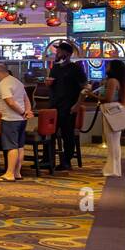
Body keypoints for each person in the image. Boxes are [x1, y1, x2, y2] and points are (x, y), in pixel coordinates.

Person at [80, 59, 125, 178]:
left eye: (108, 65)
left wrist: (91, 94)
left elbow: (108, 98)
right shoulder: (118, 81)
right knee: (115, 142)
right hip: (115, 109)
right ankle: (114, 168)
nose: (106, 67)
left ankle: (112, 169)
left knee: (112, 142)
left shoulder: (112, 80)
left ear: (113, 69)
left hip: (110, 109)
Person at [44, 41, 87, 170]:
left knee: (67, 135)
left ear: (67, 54)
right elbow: (51, 84)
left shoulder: (75, 68)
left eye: (59, 51)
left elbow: (85, 88)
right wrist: (48, 84)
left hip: (69, 106)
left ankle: (66, 161)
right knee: (49, 133)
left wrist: (77, 105)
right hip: (54, 105)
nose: (56, 53)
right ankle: (47, 160)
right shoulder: (55, 68)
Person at [0, 62, 32, 182]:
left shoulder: (3, 84)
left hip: (9, 119)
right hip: (21, 119)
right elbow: (26, 99)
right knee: (19, 146)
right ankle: (17, 172)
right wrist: (26, 112)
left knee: (11, 146)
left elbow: (10, 102)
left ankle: (9, 173)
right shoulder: (17, 81)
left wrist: (23, 112)